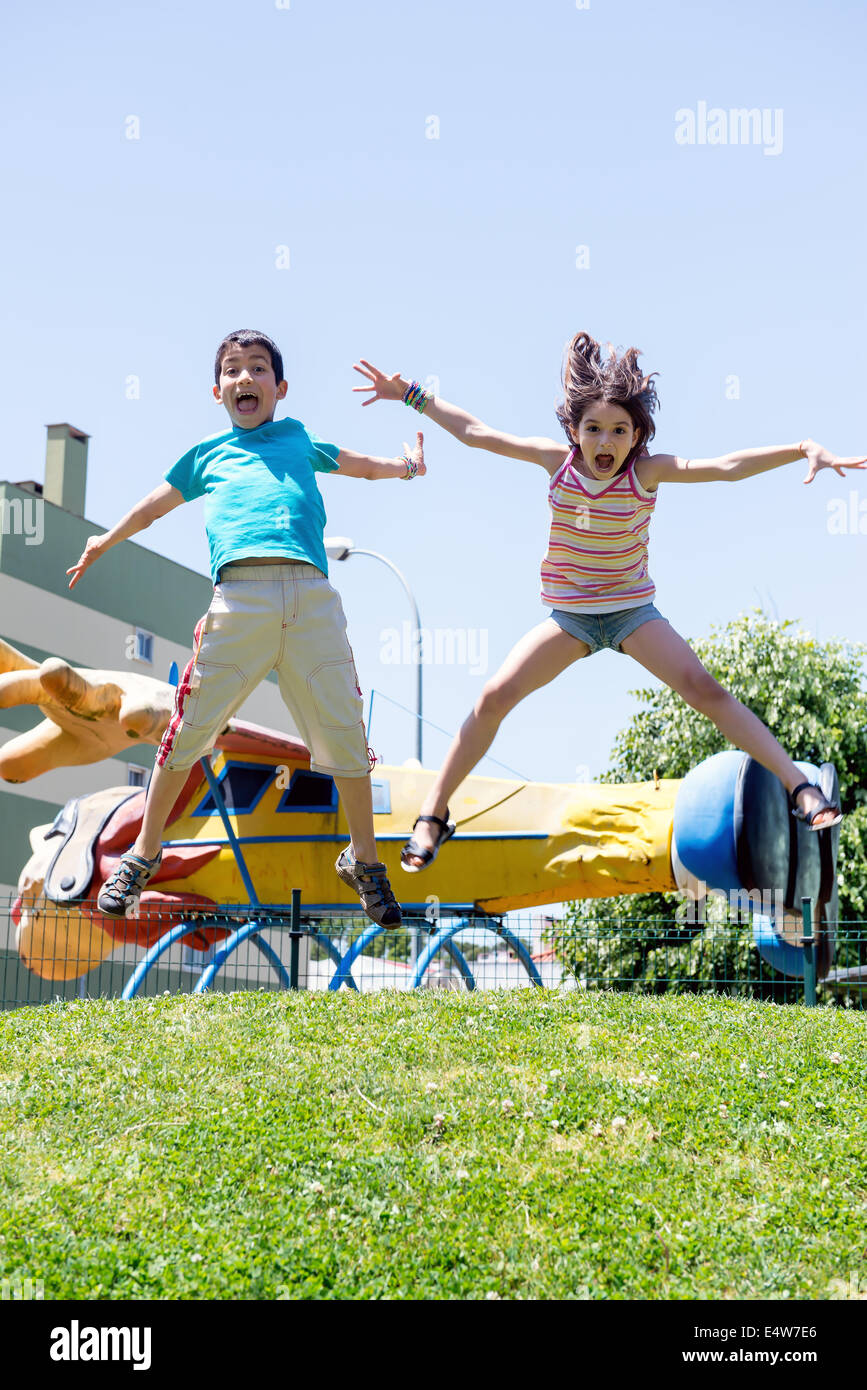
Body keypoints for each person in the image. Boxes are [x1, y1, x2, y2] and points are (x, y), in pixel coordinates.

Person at [352, 333, 866, 872]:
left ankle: (800, 787)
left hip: (631, 614)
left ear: (637, 436)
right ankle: (433, 816)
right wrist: (409, 393)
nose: (605, 440)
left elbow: (726, 466)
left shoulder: (648, 471)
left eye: (619, 430)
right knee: (493, 695)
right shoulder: (557, 463)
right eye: (593, 428)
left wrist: (801, 447)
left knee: (704, 688)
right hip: (570, 618)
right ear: (574, 433)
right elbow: (477, 433)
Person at [67, 329, 426, 924]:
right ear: (217, 391)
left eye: (258, 369)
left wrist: (407, 467)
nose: (245, 379)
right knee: (187, 731)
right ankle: (142, 853)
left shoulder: (301, 439)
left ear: (280, 388)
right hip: (238, 600)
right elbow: (156, 503)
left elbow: (361, 467)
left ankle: (364, 860)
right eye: (233, 370)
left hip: (312, 601)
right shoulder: (209, 454)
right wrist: (106, 539)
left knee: (347, 736)